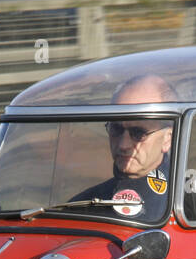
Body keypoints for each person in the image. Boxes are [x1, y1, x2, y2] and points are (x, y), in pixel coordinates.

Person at [67, 74, 178, 220]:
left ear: (167, 139)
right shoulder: (81, 207)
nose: (123, 145)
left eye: (138, 133)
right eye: (116, 129)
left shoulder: (193, 206)